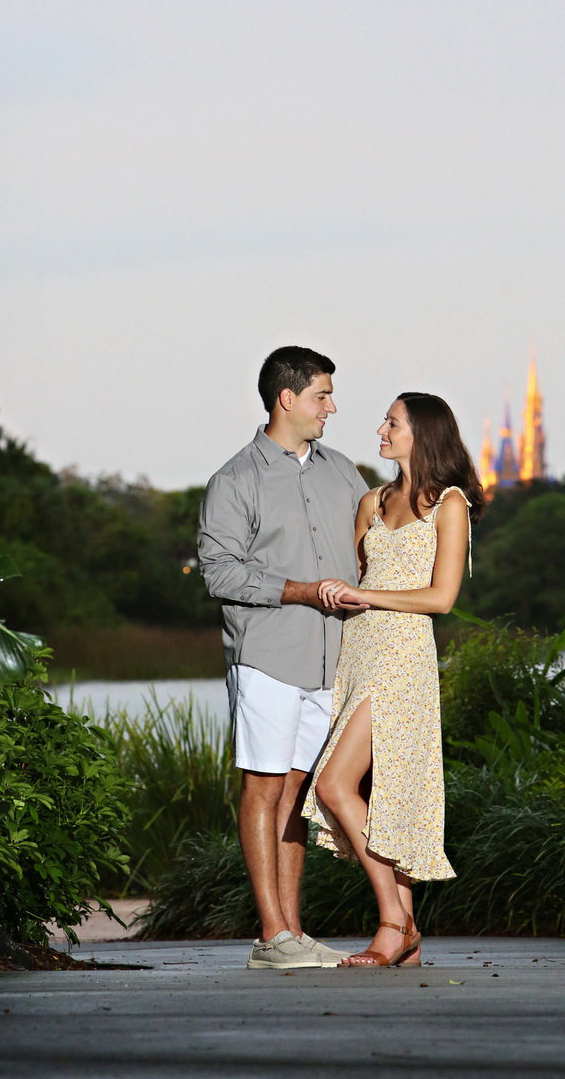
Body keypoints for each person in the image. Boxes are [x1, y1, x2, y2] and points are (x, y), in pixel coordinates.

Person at [197, 346, 369, 969]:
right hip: (267, 655)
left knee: (299, 793)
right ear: (286, 399)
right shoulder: (235, 480)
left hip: (332, 661)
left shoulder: (343, 472)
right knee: (264, 787)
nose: (332, 406)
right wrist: (300, 590)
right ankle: (271, 936)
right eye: (322, 395)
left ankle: (291, 932)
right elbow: (219, 574)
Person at [303, 392, 484, 968]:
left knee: (334, 785)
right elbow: (359, 578)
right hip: (357, 653)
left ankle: (392, 923)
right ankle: (406, 933)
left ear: (422, 435)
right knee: (388, 798)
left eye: (393, 422)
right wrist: (339, 592)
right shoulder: (371, 501)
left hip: (403, 659)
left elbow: (442, 597)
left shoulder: (449, 503)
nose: (380, 429)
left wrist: (364, 594)